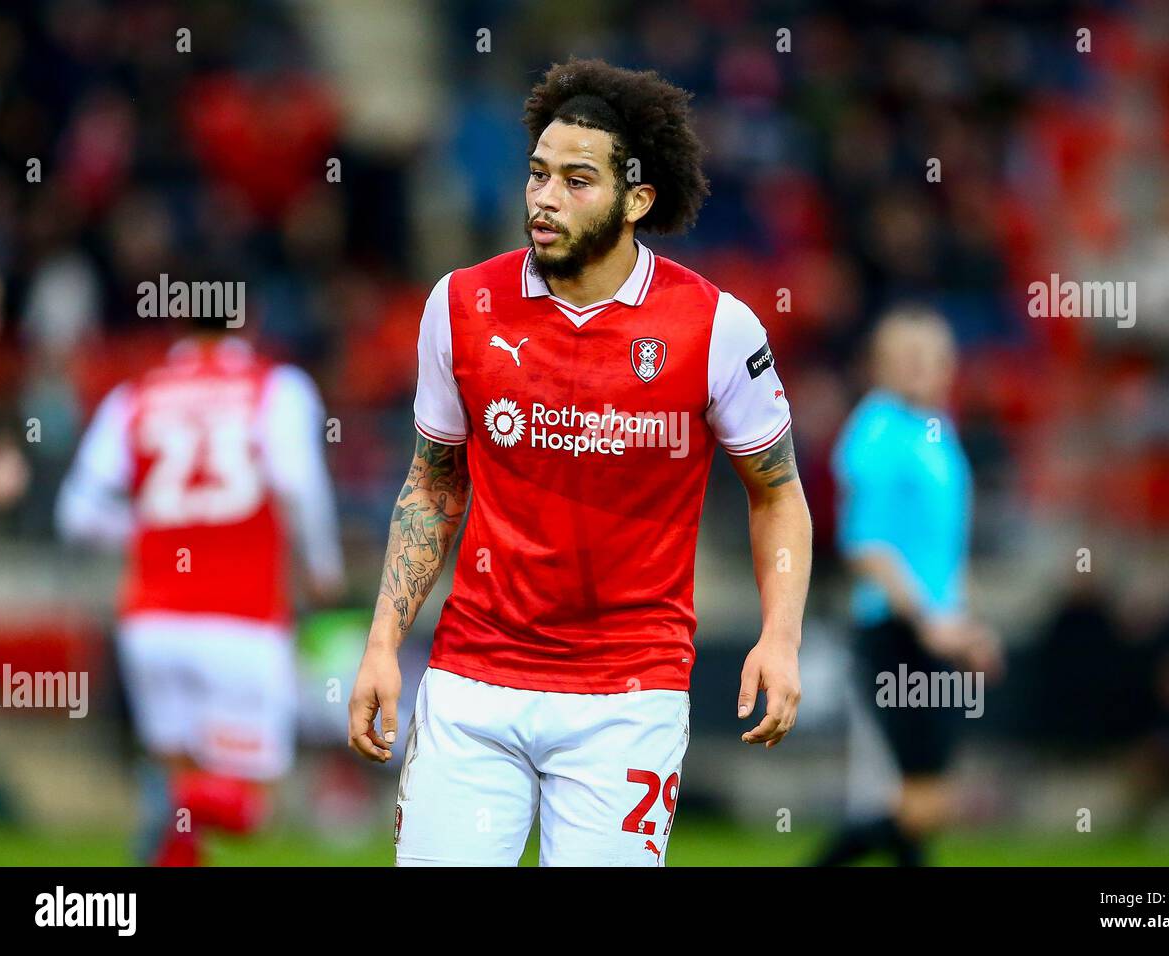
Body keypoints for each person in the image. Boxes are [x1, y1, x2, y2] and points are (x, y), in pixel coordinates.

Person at [347, 58, 812, 866]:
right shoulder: (459, 306)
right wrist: (385, 640)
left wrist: (781, 636)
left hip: (629, 698)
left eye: (576, 179)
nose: (545, 197)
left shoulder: (716, 329)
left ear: (637, 199)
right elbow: (432, 483)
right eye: (536, 174)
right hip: (474, 682)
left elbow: (778, 495)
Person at [55, 313, 344, 865]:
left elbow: (77, 515)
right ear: (248, 322)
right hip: (242, 617)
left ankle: (163, 807)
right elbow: (298, 483)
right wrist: (321, 565)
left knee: (183, 804)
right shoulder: (275, 387)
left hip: (152, 619)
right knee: (256, 806)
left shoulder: (135, 395)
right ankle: (167, 800)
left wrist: (152, 530)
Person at [814, 305, 1001, 866]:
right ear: (881, 365)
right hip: (897, 629)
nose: (924, 368)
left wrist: (964, 625)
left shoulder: (934, 430)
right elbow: (865, 547)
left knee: (923, 798)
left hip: (934, 629)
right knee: (926, 797)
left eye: (934, 357)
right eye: (908, 357)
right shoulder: (877, 429)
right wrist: (930, 622)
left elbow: (943, 547)